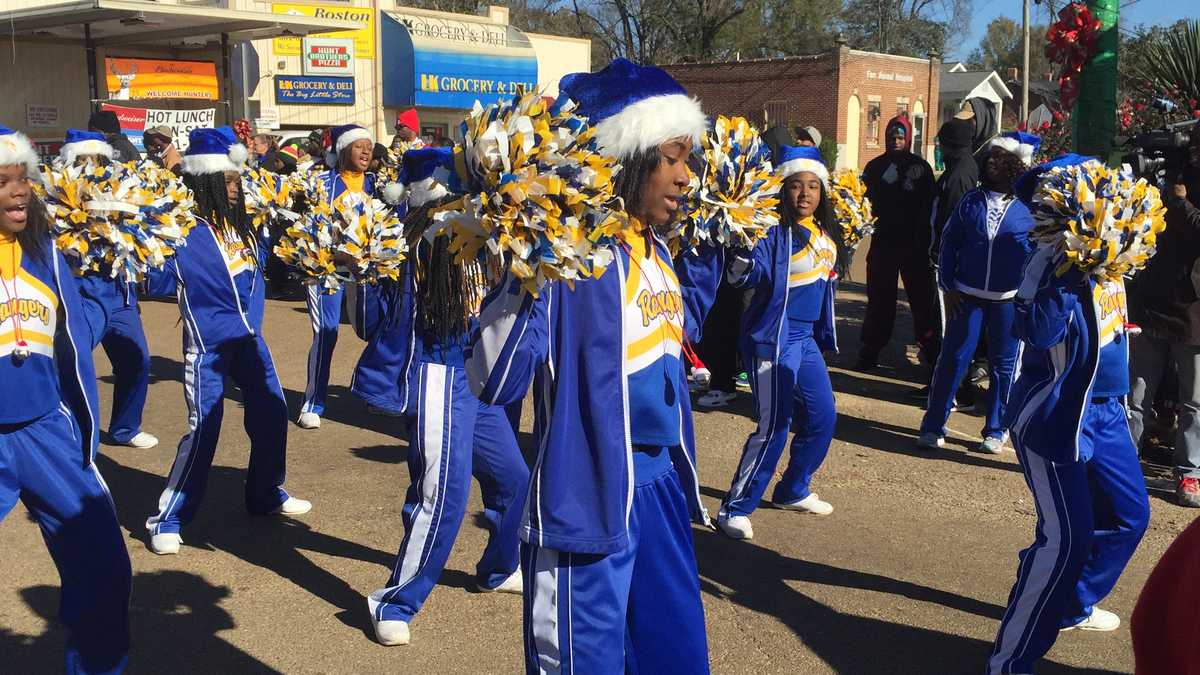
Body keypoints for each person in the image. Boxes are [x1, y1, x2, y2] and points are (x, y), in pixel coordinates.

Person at [467, 58, 711, 672]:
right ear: (627, 159)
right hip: (587, 499)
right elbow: (493, 380)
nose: (686, 176)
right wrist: (527, 270)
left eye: (689, 159)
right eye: (671, 158)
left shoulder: (656, 251)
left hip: (658, 490)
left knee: (677, 658)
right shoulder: (574, 260)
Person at [986, 154, 1151, 675]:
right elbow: (1038, 333)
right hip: (1056, 417)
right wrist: (1063, 267)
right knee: (1065, 538)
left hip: (1107, 413)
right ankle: (1010, 660)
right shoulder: (1047, 262)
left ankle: (1070, 601)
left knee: (1131, 517)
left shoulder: (1114, 256)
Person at [362, 153, 528, 645]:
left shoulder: (479, 234)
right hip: (437, 374)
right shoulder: (408, 244)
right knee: (443, 497)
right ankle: (395, 601)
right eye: (441, 188)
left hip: (475, 375)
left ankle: (497, 568)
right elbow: (373, 320)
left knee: (515, 479)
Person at [0, 123, 132, 674]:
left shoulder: (45, 251)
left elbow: (75, 332)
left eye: (22, 178)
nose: (17, 191)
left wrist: (107, 276)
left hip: (42, 430)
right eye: (1, 181)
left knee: (103, 564)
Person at [144, 127, 312, 555]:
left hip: (250, 341)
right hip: (208, 347)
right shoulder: (182, 230)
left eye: (238, 180)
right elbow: (155, 279)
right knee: (205, 429)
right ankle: (169, 517)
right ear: (208, 182)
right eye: (231, 181)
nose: (238, 188)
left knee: (272, 413)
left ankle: (265, 493)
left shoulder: (246, 226)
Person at [715, 144, 845, 540]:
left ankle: (792, 489)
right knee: (775, 425)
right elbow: (743, 277)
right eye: (795, 186)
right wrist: (739, 252)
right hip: (773, 339)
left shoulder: (825, 233)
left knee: (823, 417)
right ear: (782, 190)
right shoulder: (773, 231)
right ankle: (735, 507)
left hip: (805, 341)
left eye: (813, 187)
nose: (805, 194)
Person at [917, 132, 1038, 454]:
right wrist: (948, 285)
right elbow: (949, 243)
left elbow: (1039, 254)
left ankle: (996, 430)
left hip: (1008, 301)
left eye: (1002, 157)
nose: (993, 162)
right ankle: (933, 425)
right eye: (991, 157)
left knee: (1004, 366)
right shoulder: (971, 200)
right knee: (953, 360)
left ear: (1017, 165)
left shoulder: (1031, 207)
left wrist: (1028, 294)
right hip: (966, 297)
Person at [55, 129, 159, 449]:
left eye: (97, 159)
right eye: (85, 159)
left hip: (121, 291)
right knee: (73, 364)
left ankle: (125, 427)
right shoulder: (58, 194)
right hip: (83, 292)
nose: (92, 165)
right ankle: (71, 436)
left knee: (136, 360)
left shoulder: (119, 185)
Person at [1128, 128, 1200, 507]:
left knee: (1194, 403)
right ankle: (1122, 466)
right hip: (1152, 303)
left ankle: (1189, 475)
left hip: (1193, 315)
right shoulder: (1168, 179)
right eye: (1194, 147)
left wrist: (1183, 205)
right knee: (1137, 395)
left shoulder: (1183, 195)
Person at [297, 124, 378, 430]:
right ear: (343, 150)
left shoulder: (376, 184)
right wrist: (338, 255)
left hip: (366, 270)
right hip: (327, 269)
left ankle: (377, 394)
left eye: (369, 146)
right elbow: (307, 230)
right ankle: (313, 401)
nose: (366, 151)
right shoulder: (322, 184)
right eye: (359, 146)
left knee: (379, 329)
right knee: (327, 332)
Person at [858, 114, 937, 370]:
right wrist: (882, 185)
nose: (895, 141)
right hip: (884, 244)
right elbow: (863, 202)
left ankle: (931, 350)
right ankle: (871, 349)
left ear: (909, 138)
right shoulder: (875, 167)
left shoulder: (921, 168)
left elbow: (929, 205)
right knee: (880, 299)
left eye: (901, 137)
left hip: (914, 246)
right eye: (892, 137)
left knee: (922, 300)